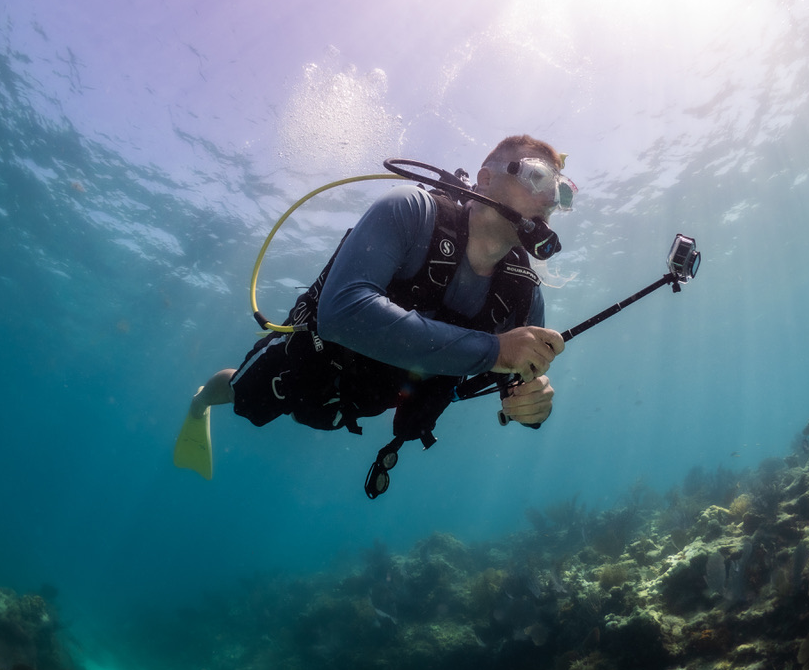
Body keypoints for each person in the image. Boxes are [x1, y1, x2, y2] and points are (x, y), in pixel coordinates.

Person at [174, 134, 573, 481]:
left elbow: (520, 384)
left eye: (561, 192)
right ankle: (200, 401)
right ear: (486, 177)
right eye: (536, 177)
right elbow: (343, 312)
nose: (549, 200)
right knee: (245, 396)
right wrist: (495, 351)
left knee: (329, 413)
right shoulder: (411, 211)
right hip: (311, 366)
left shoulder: (523, 292)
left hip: (371, 398)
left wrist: (533, 406)